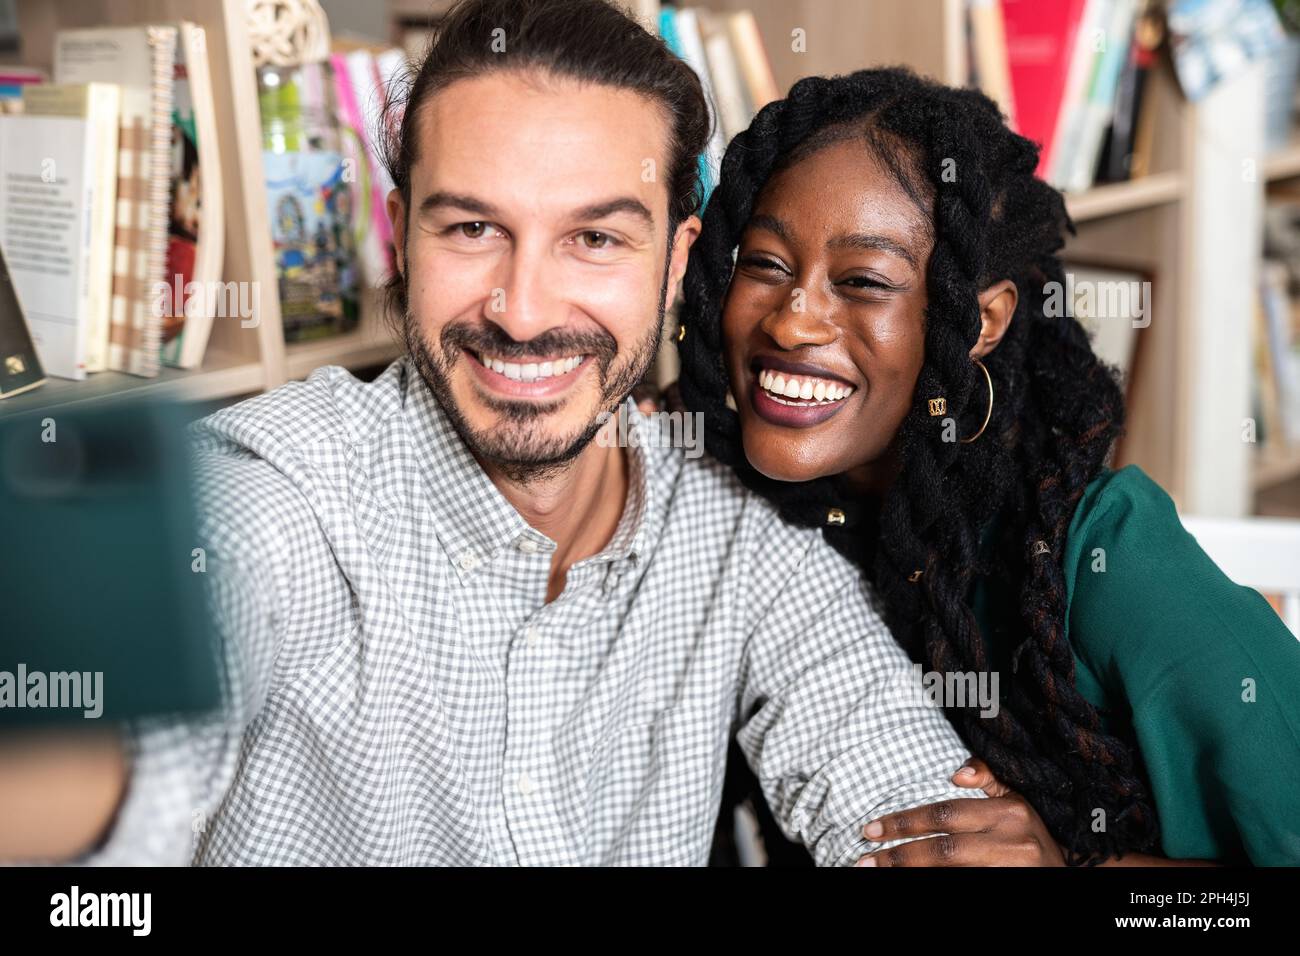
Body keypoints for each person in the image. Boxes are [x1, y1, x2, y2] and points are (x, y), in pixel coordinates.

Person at [0, 1, 987, 867]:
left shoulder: (736, 530)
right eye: (470, 229)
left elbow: (890, 776)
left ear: (678, 258)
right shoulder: (279, 499)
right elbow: (118, 740)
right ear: (401, 234)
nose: (520, 311)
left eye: (594, 237)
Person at [675, 68, 1300, 866]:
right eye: (764, 264)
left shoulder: (1110, 562)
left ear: (981, 320)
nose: (793, 321)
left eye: (863, 281)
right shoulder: (737, 523)